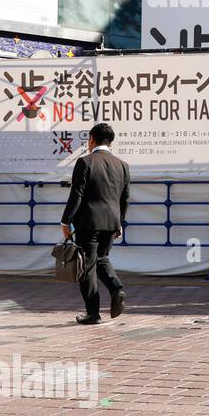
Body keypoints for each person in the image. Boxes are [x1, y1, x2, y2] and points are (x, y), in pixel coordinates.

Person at [60, 122, 130, 325]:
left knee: (86, 267)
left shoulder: (85, 162)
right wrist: (120, 222)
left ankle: (93, 314)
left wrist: (66, 220)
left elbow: (77, 194)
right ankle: (116, 288)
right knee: (102, 258)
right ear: (111, 141)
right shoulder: (122, 165)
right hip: (112, 222)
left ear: (91, 139)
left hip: (88, 222)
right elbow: (125, 198)